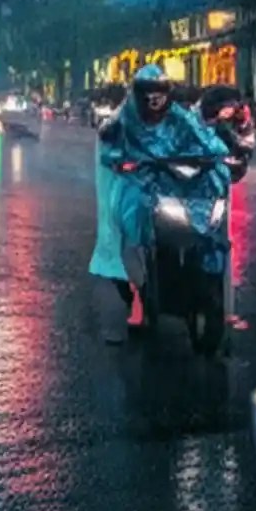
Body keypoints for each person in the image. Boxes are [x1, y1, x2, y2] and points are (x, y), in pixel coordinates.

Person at [91, 64, 231, 345]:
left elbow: (210, 144)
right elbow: (107, 143)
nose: (154, 100)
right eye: (148, 93)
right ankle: (137, 296)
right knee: (128, 234)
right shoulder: (125, 117)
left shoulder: (181, 118)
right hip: (141, 184)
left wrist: (217, 157)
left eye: (159, 93)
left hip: (178, 187)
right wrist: (122, 162)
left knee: (210, 228)